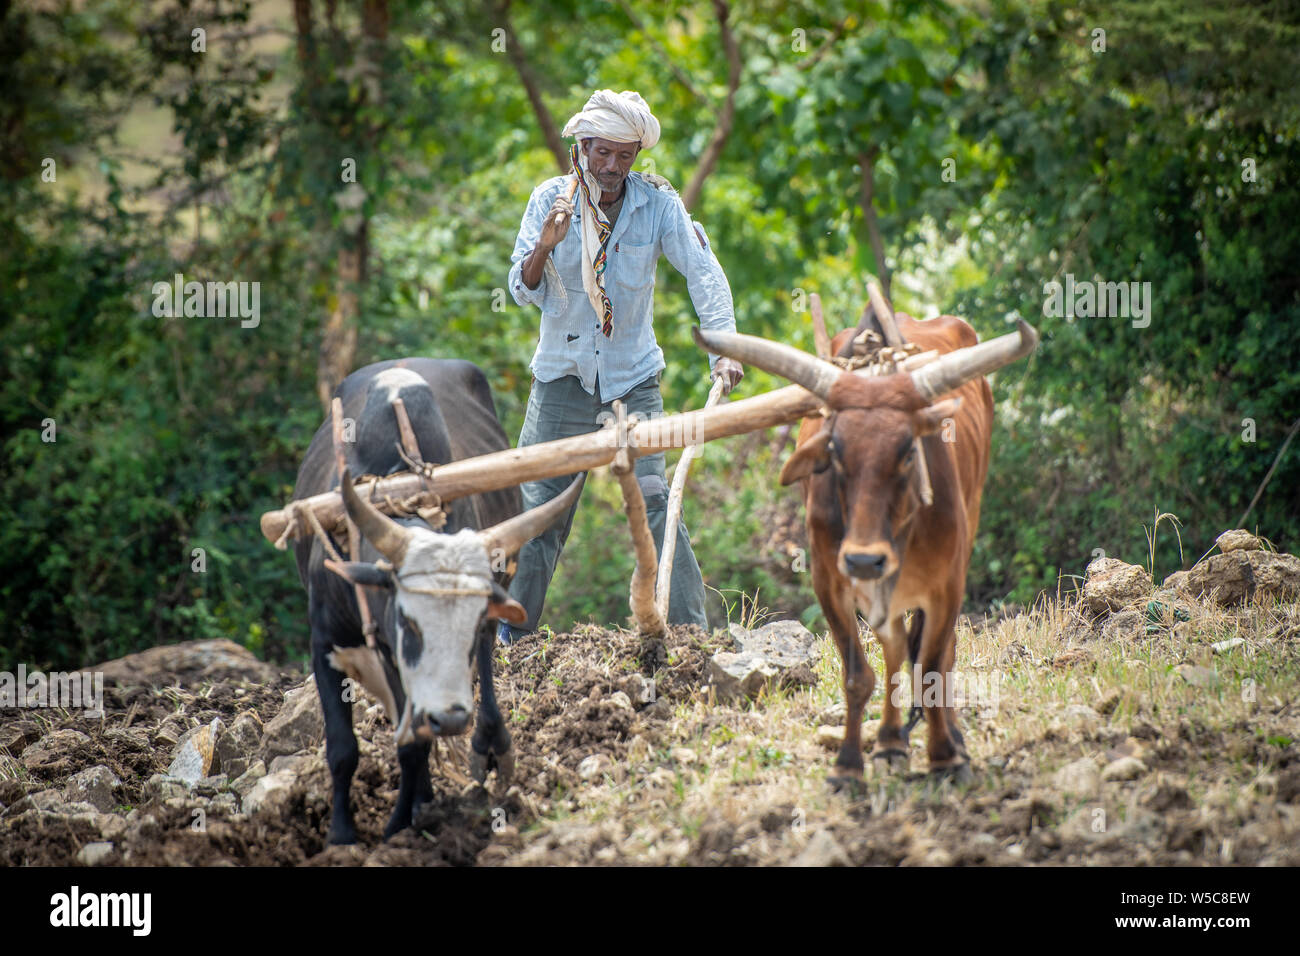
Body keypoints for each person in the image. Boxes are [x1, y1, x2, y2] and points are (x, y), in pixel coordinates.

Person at [499, 89, 744, 644]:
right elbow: (522, 289)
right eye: (602, 153)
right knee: (537, 517)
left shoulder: (656, 203)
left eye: (624, 156)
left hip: (633, 384)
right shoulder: (548, 202)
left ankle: (689, 641)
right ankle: (508, 648)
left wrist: (724, 350)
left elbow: (705, 275)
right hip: (560, 382)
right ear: (581, 147)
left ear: (637, 155)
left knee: (660, 504)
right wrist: (546, 245)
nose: (612, 167)